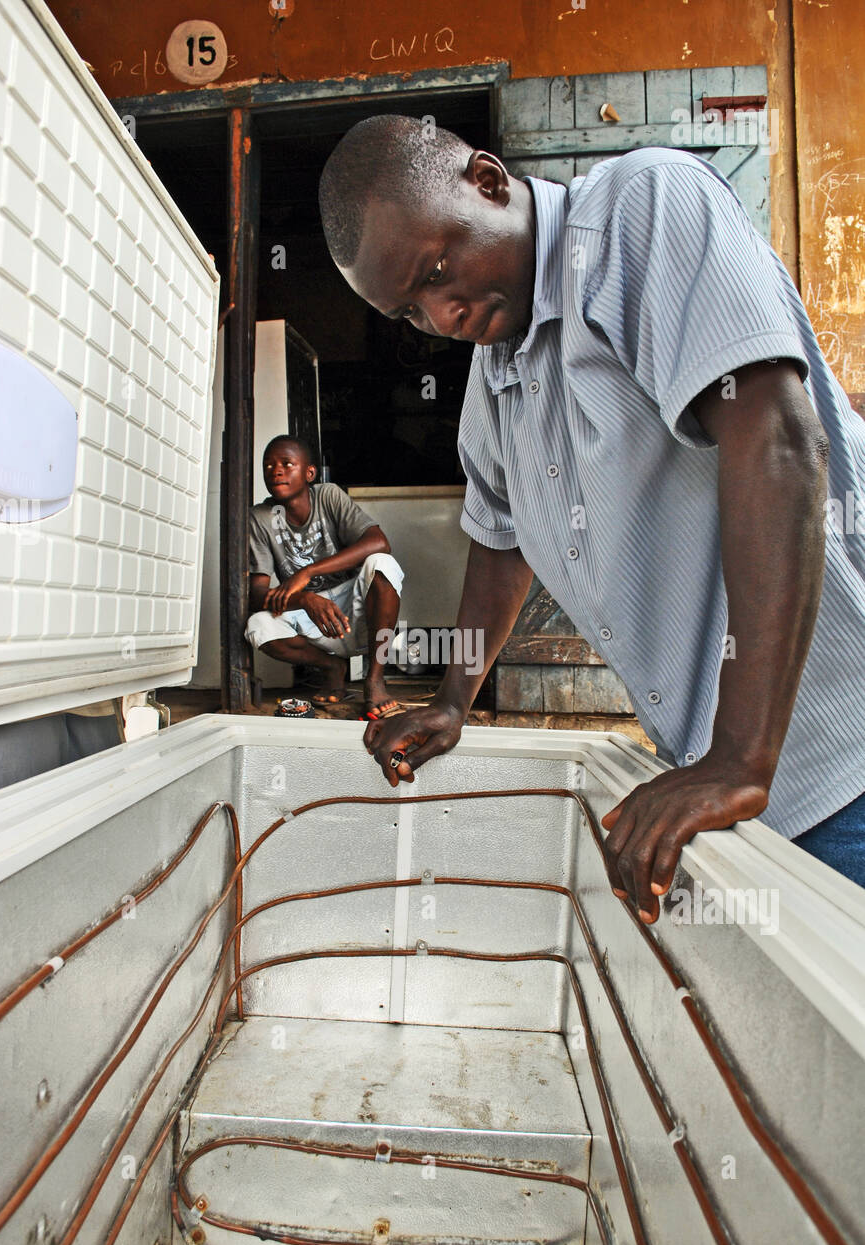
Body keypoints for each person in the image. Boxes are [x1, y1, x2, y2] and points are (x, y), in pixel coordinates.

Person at [317, 114, 865, 912]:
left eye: (437, 270)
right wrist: (452, 700)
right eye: (409, 314)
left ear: (489, 182)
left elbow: (779, 439)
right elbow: (499, 543)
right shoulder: (494, 376)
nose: (441, 318)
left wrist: (740, 758)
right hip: (735, 783)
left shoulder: (641, 213)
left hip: (838, 756)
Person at [245, 434, 405, 719]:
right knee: (258, 626)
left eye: (286, 463)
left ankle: (375, 678)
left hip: (352, 611)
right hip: (311, 617)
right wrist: (305, 599)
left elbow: (379, 542)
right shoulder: (260, 518)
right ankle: (333, 668)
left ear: (309, 473)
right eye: (268, 466)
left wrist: (307, 573)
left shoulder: (328, 495)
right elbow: (257, 597)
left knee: (382, 564)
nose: (276, 471)